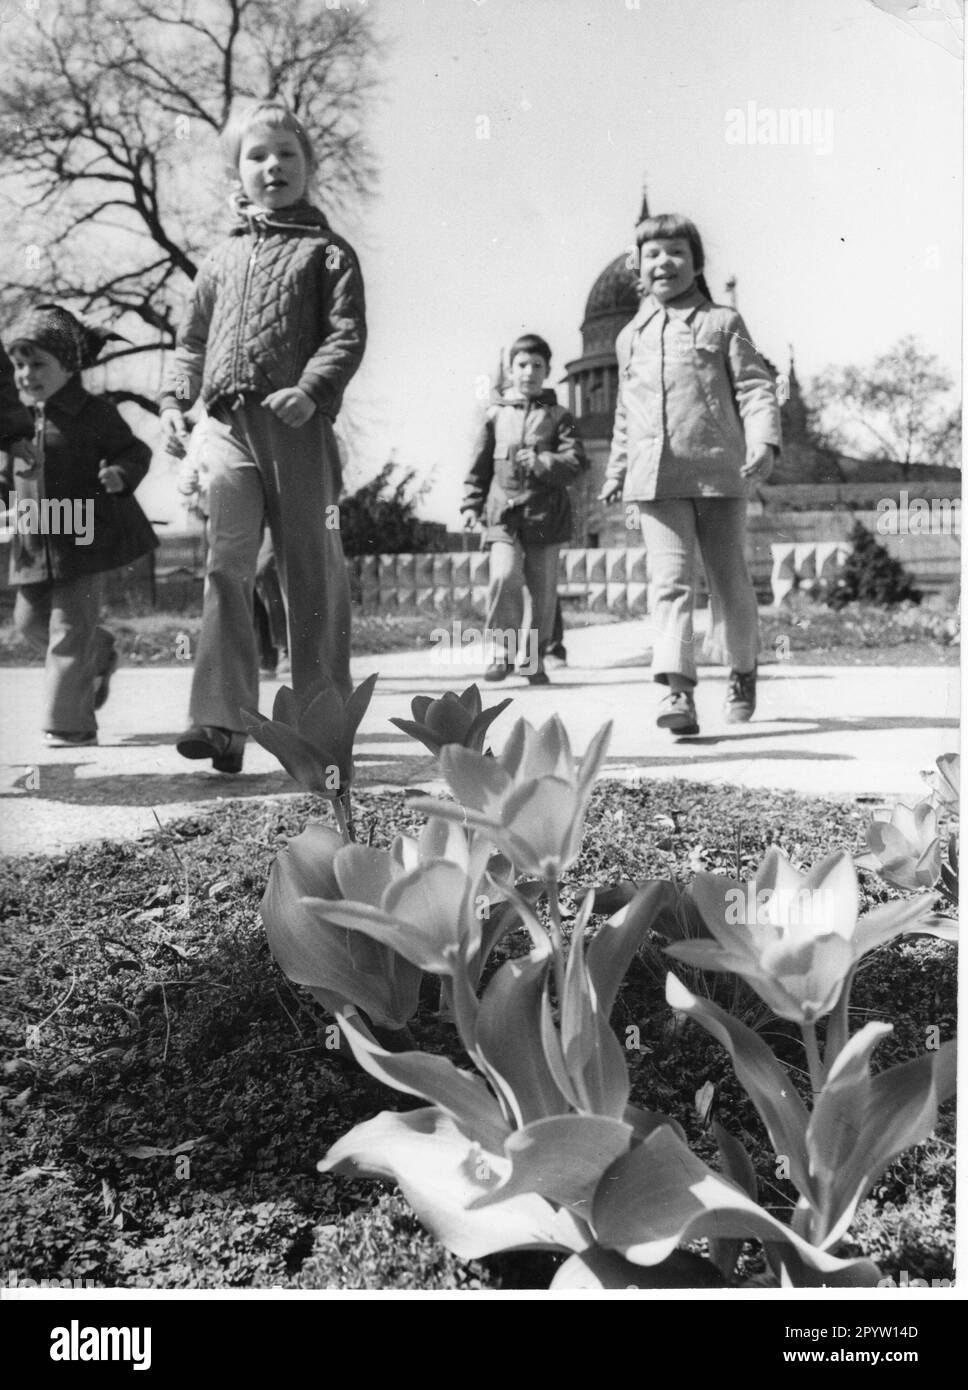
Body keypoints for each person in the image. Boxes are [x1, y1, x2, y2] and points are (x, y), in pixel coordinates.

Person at [159, 99, 365, 773]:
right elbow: (191, 342)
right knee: (227, 564)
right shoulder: (218, 258)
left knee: (310, 573)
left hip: (295, 427)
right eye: (256, 155)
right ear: (237, 171)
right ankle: (221, 720)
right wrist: (172, 398)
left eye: (286, 154)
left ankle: (320, 733)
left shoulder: (327, 253)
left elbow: (346, 334)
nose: (271, 165)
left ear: (308, 167)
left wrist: (311, 390)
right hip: (226, 427)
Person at [598, 214, 780, 736]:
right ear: (639, 268)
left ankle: (743, 670)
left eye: (676, 251)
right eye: (652, 254)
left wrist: (763, 440)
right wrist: (616, 471)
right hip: (655, 478)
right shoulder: (630, 336)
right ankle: (677, 688)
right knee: (669, 585)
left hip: (719, 473)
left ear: (696, 262)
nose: (664, 262)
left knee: (730, 586)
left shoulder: (722, 323)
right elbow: (623, 413)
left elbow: (755, 388)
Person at [0, 304, 156, 746]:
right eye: (18, 365)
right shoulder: (16, 424)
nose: (26, 375)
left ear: (68, 365)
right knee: (30, 625)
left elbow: (135, 451)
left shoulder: (95, 413)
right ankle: (102, 649)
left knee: (67, 631)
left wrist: (121, 474)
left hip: (83, 539)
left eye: (37, 363)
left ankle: (71, 725)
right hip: (32, 543)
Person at [461, 333, 587, 685]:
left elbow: (577, 462)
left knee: (543, 591)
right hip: (503, 515)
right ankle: (502, 654)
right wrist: (471, 505)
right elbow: (479, 466)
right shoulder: (495, 415)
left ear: (546, 371)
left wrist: (544, 461)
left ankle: (533, 657)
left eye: (537, 366)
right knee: (503, 577)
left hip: (546, 515)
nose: (528, 372)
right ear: (510, 369)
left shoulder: (561, 416)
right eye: (521, 365)